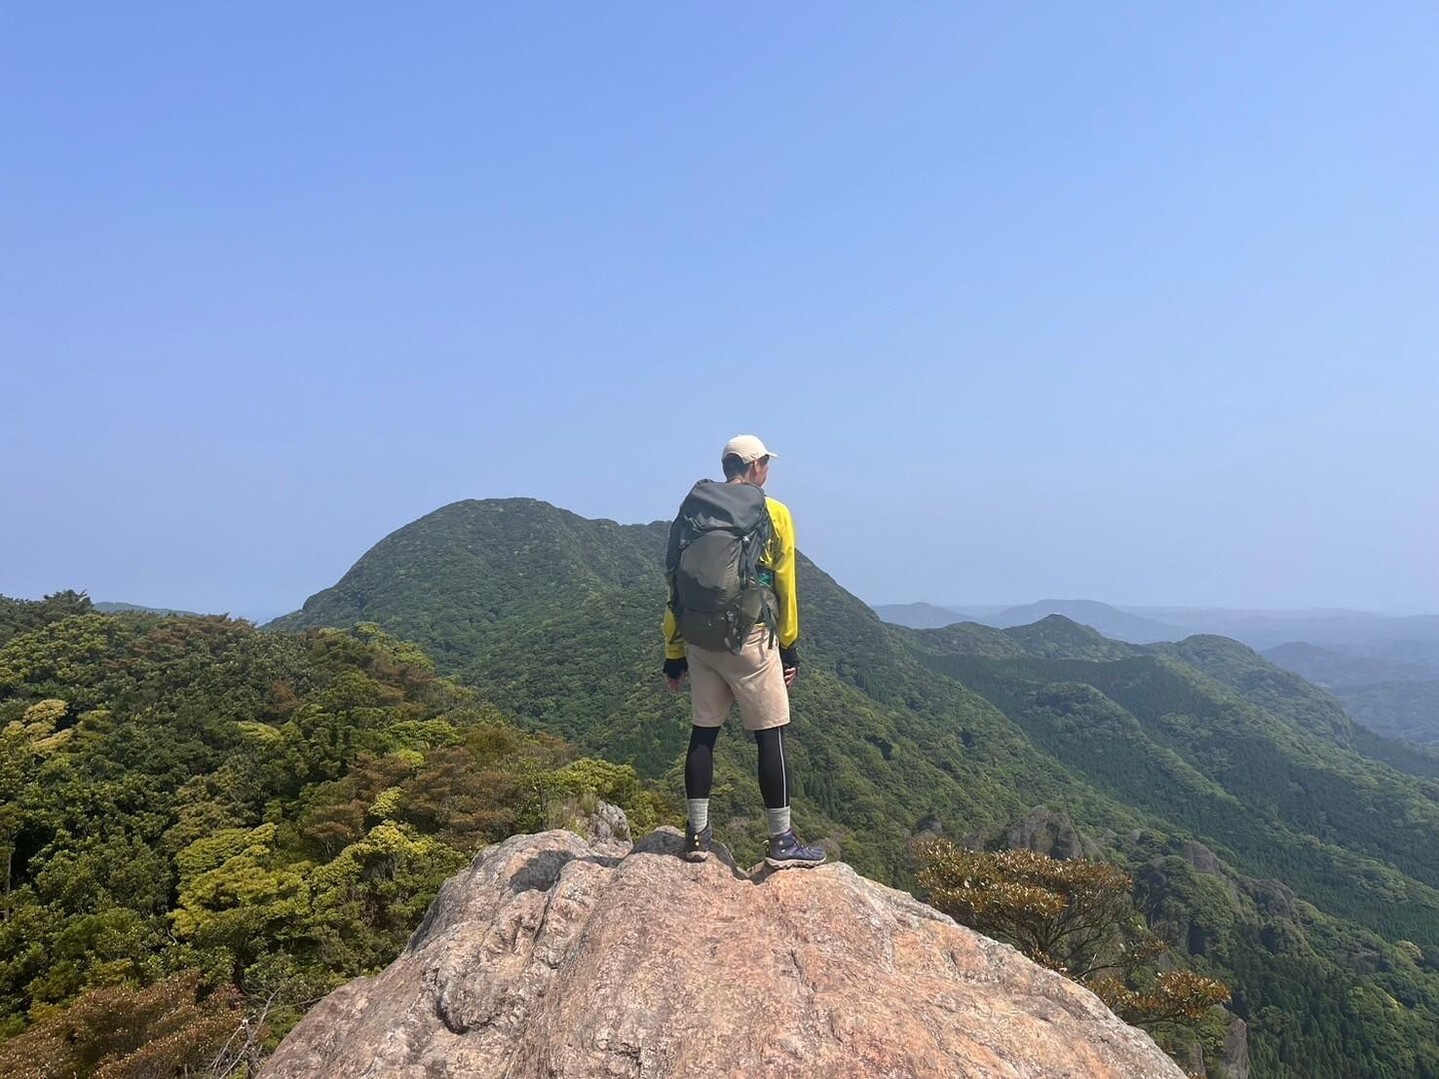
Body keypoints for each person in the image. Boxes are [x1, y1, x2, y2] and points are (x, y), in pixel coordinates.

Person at [662, 434, 826, 869]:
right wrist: (789, 648)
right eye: (765, 465)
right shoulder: (773, 512)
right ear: (754, 467)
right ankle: (782, 840)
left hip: (700, 638)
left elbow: (675, 584)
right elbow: (786, 584)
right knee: (770, 733)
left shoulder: (694, 510)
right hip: (749, 638)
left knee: (704, 733)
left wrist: (673, 652)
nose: (767, 471)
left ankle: (696, 835)